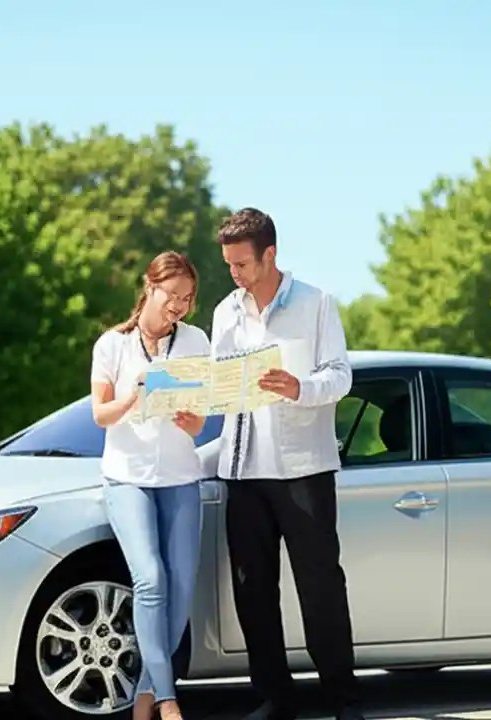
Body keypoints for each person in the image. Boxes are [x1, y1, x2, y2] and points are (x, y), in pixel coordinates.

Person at [209, 208, 362, 720]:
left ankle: (344, 699)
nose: (234, 274)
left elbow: (341, 377)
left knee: (320, 590)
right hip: (243, 472)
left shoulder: (317, 304)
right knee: (254, 592)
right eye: (228, 264)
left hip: (304, 471)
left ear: (270, 254)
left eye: (242, 264)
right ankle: (276, 698)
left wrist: (300, 388)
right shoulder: (225, 313)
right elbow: (220, 384)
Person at [90, 251, 212, 720]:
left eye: (187, 298)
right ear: (150, 288)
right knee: (151, 580)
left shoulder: (196, 341)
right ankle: (167, 699)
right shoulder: (112, 345)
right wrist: (135, 392)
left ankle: (144, 695)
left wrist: (188, 416)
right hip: (128, 479)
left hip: (181, 477)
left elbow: (200, 422)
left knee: (180, 591)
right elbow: (100, 415)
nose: (179, 305)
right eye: (172, 295)